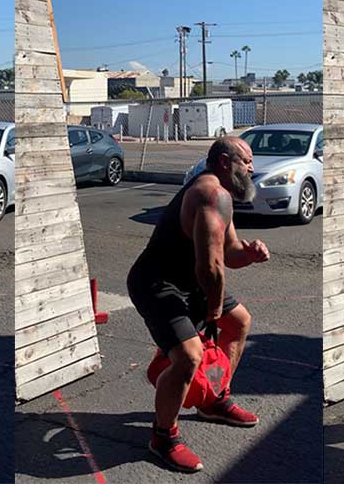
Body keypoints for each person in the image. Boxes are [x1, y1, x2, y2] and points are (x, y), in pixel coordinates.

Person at [127, 136, 270, 473]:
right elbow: (211, 268)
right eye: (246, 161)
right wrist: (213, 312)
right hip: (156, 283)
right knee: (189, 357)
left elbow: (230, 254)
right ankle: (163, 436)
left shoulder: (223, 195)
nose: (252, 168)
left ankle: (214, 400)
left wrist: (248, 254)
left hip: (189, 282)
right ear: (224, 162)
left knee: (240, 323)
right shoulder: (210, 194)